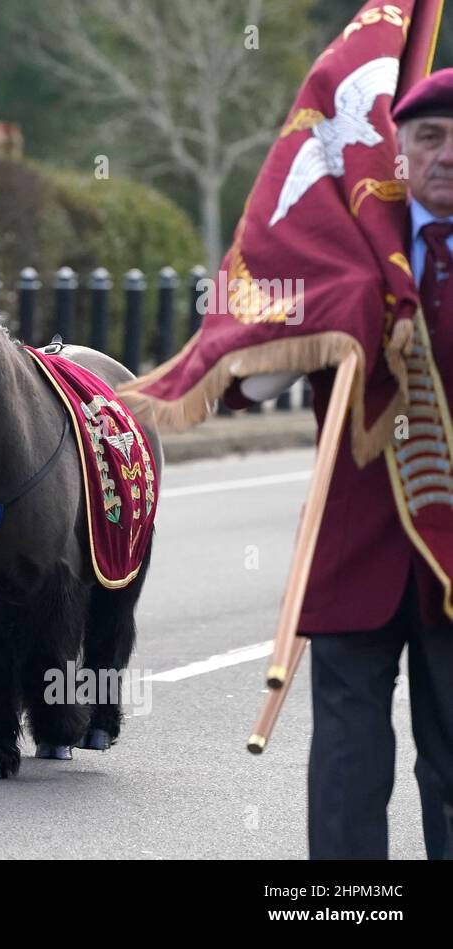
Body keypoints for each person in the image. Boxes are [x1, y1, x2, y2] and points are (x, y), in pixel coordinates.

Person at [287, 69, 453, 860]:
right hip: (354, 551)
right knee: (347, 772)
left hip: (452, 561)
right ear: (397, 151)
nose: (446, 155)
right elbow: (252, 378)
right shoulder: (340, 251)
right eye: (429, 137)